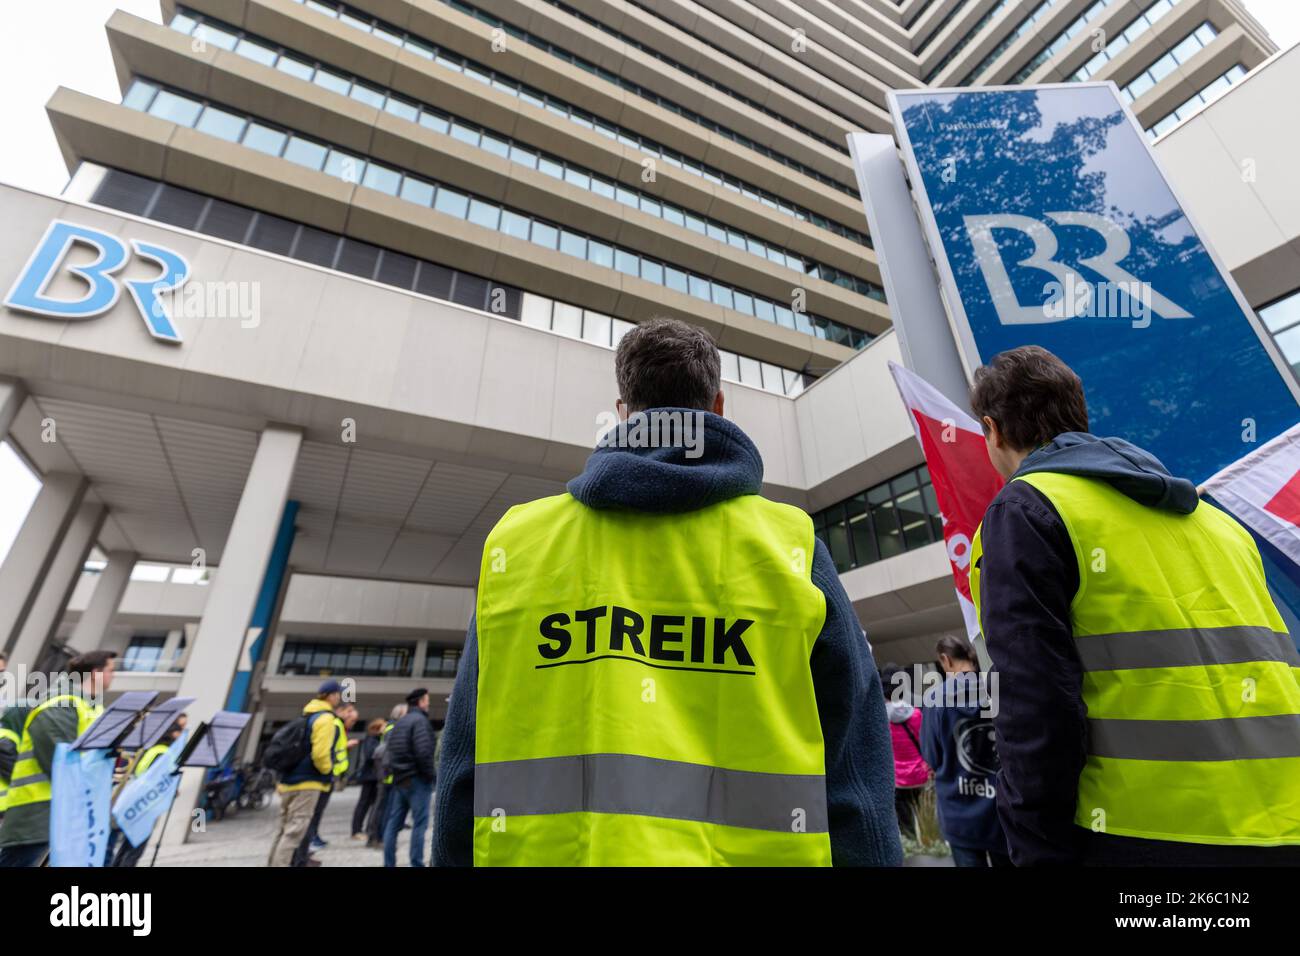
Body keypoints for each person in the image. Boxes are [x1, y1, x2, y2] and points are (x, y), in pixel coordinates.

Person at [434, 317, 901, 867]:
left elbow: (464, 762)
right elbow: (854, 774)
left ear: (624, 412)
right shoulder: (792, 549)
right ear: (719, 407)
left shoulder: (518, 545)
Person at [968, 345, 1300, 866]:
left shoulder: (1026, 510)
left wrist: (1035, 844)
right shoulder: (1217, 523)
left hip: (1150, 837)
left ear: (993, 430)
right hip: (1284, 819)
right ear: (1078, 415)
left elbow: (1037, 704)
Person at [0, 650, 116, 867]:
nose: (115, 676)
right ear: (95, 673)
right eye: (111, 670)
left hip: (63, 810)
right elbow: (57, 763)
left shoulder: (93, 707)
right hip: (39, 813)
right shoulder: (60, 704)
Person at [919, 637, 1007, 867]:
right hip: (1001, 811)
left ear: (945, 660)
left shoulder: (934, 699)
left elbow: (932, 756)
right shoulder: (997, 688)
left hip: (959, 813)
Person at [267, 681, 342, 868]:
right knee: (295, 832)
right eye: (338, 694)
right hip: (308, 783)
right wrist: (327, 770)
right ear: (330, 695)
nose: (339, 698)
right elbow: (320, 754)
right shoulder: (325, 719)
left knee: (283, 830)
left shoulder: (306, 716)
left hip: (289, 781)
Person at [111, 716, 186, 867]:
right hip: (146, 806)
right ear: (172, 733)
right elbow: (157, 779)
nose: (182, 734)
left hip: (139, 802)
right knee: (135, 850)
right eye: (180, 730)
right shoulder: (164, 752)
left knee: (127, 846)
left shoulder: (154, 748)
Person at [294, 700, 358, 865]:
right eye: (350, 712)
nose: (352, 715)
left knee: (314, 815)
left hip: (328, 774)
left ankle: (306, 849)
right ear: (341, 711)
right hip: (324, 775)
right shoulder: (334, 724)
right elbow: (325, 750)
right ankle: (302, 853)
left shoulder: (337, 725)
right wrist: (327, 770)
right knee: (311, 815)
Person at [382, 688, 436, 867]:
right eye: (427, 700)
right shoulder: (420, 721)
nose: (428, 704)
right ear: (421, 702)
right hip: (417, 780)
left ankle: (389, 863)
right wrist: (430, 776)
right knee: (420, 824)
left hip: (400, 779)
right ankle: (417, 863)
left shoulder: (401, 722)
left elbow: (390, 751)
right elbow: (423, 753)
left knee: (393, 824)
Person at [880, 664, 929, 842]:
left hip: (897, 780)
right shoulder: (917, 714)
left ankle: (912, 852)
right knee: (925, 820)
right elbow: (926, 744)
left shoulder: (880, 719)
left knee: (905, 824)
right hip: (920, 776)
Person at [366, 703, 406, 849]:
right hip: (388, 776)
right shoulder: (393, 729)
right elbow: (389, 754)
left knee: (381, 807)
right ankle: (377, 837)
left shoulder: (390, 728)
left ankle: (376, 837)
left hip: (387, 774)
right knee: (383, 808)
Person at [351, 718, 385, 840]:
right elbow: (370, 754)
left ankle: (368, 829)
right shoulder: (371, 739)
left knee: (372, 804)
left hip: (374, 776)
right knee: (364, 803)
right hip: (370, 777)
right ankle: (356, 830)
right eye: (382, 727)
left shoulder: (377, 740)